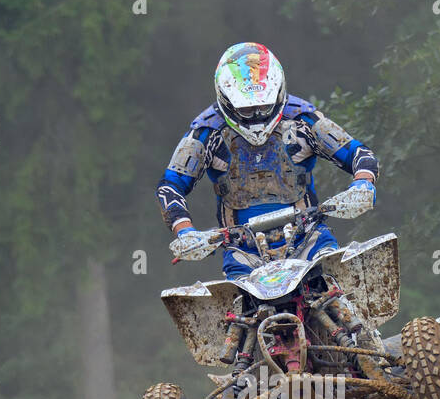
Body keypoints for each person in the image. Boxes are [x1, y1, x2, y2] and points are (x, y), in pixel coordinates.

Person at [157, 42, 379, 281]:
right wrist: (185, 231)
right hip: (243, 252)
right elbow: (171, 185)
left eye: (263, 105)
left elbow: (358, 153)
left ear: (278, 92)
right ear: (226, 101)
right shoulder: (207, 131)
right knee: (232, 314)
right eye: (248, 109)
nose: (258, 115)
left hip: (310, 239)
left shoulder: (303, 119)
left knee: (341, 288)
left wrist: (363, 184)